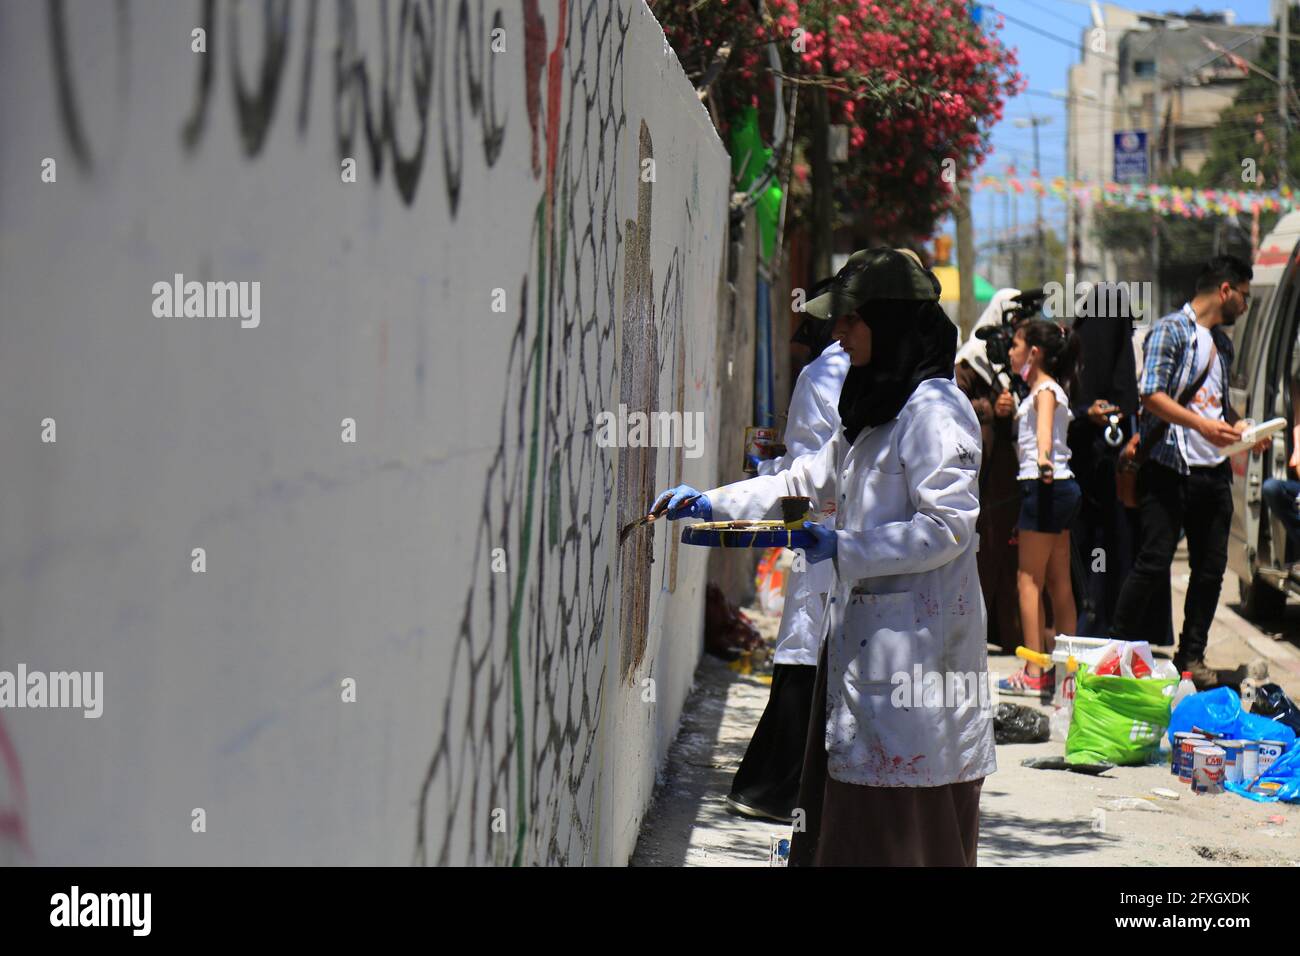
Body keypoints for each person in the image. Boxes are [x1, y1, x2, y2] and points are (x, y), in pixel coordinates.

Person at [654, 248, 995, 866]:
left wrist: (849, 549)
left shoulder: (937, 413)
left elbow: (947, 528)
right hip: (865, 656)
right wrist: (711, 503)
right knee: (846, 817)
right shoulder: (873, 412)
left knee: (904, 829)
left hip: (919, 663)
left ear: (888, 322)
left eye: (851, 319)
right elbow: (807, 478)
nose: (837, 333)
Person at [1109, 255, 1267, 687]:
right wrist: (1201, 425)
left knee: (1212, 569)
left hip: (1213, 471)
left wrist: (1243, 430)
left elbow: (1217, 407)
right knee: (1153, 560)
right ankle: (1118, 652)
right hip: (1170, 467)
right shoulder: (1171, 330)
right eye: (1246, 297)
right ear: (1225, 290)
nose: (1246, 307)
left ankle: (1190, 657)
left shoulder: (1223, 344)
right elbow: (1151, 395)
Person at [726, 323, 849, 822]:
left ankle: (776, 788)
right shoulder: (854, 372)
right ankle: (779, 789)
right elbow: (809, 469)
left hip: (825, 533)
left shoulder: (823, 373)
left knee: (807, 649)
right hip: (834, 536)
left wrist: (762, 477)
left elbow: (801, 467)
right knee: (812, 652)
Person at [997, 320, 1083, 697]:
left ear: (1034, 352)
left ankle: (1034, 669)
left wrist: (1044, 464)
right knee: (1057, 581)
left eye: (1016, 344)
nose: (1011, 351)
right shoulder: (1043, 389)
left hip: (1044, 484)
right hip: (1059, 487)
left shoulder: (1044, 391)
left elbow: (1044, 434)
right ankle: (1067, 672)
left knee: (1028, 581)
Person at [1066, 286, 1141, 638]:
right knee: (1088, 551)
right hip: (1079, 471)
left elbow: (1131, 406)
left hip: (1110, 477)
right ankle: (1088, 620)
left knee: (1109, 550)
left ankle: (1106, 621)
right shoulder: (1069, 362)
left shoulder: (1125, 368)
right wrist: (1085, 415)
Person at [955, 289, 1024, 652]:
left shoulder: (1019, 358)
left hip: (1008, 473)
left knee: (1008, 551)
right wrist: (989, 408)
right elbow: (954, 402)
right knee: (983, 548)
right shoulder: (971, 359)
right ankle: (971, 631)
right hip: (980, 472)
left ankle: (1009, 633)